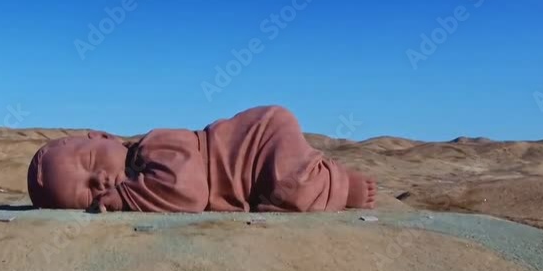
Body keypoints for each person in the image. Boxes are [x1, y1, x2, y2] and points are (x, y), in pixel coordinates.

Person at [27, 105, 376, 213]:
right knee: (286, 197)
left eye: (90, 163)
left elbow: (190, 192)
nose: (101, 180)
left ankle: (346, 186)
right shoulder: (142, 179)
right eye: (89, 192)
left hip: (258, 142)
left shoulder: (153, 146)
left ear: (104, 136)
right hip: (254, 180)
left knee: (295, 188)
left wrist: (125, 198)